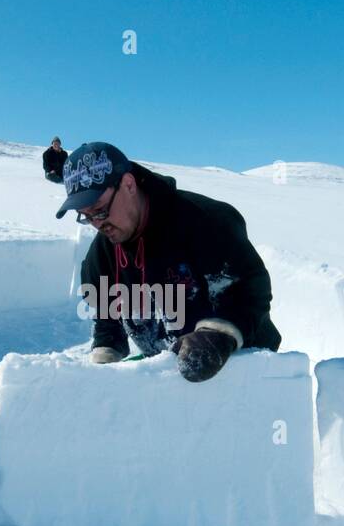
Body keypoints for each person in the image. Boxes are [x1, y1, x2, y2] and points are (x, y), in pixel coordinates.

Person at [56, 141, 280, 382]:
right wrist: (106, 355)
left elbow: (249, 291)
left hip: (243, 372)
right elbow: (106, 315)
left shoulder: (206, 222)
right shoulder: (100, 256)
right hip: (170, 380)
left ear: (128, 184)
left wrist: (217, 335)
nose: (98, 224)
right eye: (86, 217)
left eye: (100, 210)